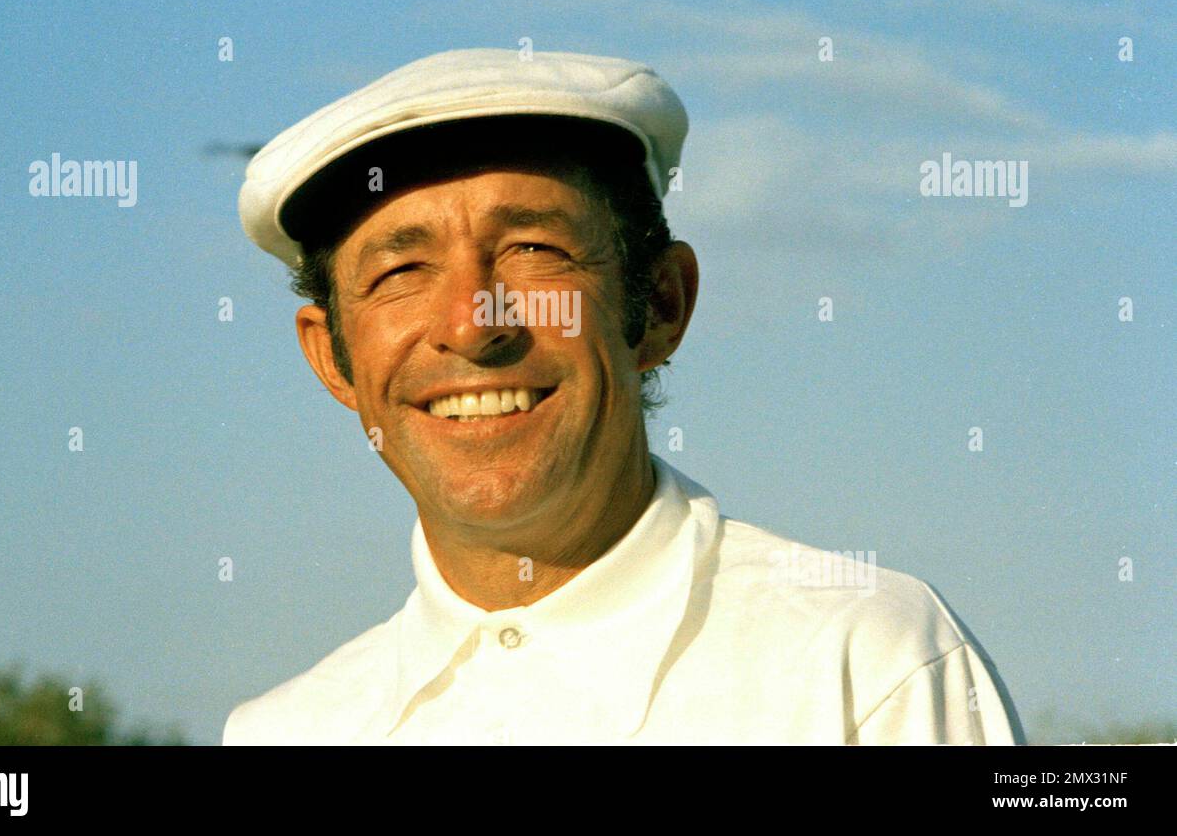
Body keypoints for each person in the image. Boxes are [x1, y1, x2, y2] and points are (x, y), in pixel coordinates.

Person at [224, 48, 1025, 745]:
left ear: (659, 305)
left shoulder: (865, 663)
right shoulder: (286, 730)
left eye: (535, 249)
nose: (474, 324)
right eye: (400, 272)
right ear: (332, 357)